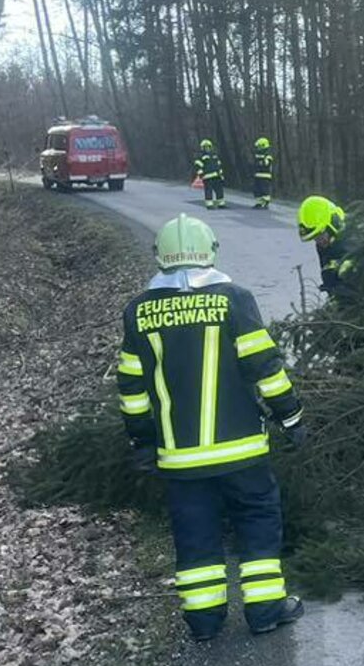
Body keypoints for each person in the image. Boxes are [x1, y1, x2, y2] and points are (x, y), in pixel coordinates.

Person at [115, 214, 307, 640]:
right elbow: (265, 369)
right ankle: (264, 609)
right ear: (211, 252)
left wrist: (141, 441)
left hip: (180, 458)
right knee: (257, 521)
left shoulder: (138, 313)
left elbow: (131, 388)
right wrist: (290, 416)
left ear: (161, 257)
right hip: (241, 450)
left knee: (195, 534)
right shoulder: (234, 300)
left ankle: (203, 621)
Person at [194, 138, 227, 209]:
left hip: (216, 176)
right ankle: (209, 204)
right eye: (205, 147)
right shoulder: (200, 157)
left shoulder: (214, 156)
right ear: (202, 148)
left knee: (219, 190)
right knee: (208, 191)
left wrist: (221, 175)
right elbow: (198, 167)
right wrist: (201, 174)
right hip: (207, 177)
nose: (207, 148)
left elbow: (219, 166)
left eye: (208, 147)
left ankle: (221, 204)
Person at [252, 136, 276, 209]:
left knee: (264, 190)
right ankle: (259, 203)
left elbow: (265, 164)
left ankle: (265, 202)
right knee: (257, 190)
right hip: (257, 176)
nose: (258, 148)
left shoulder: (268, 156)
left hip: (265, 176)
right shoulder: (257, 155)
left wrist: (260, 159)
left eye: (259, 147)